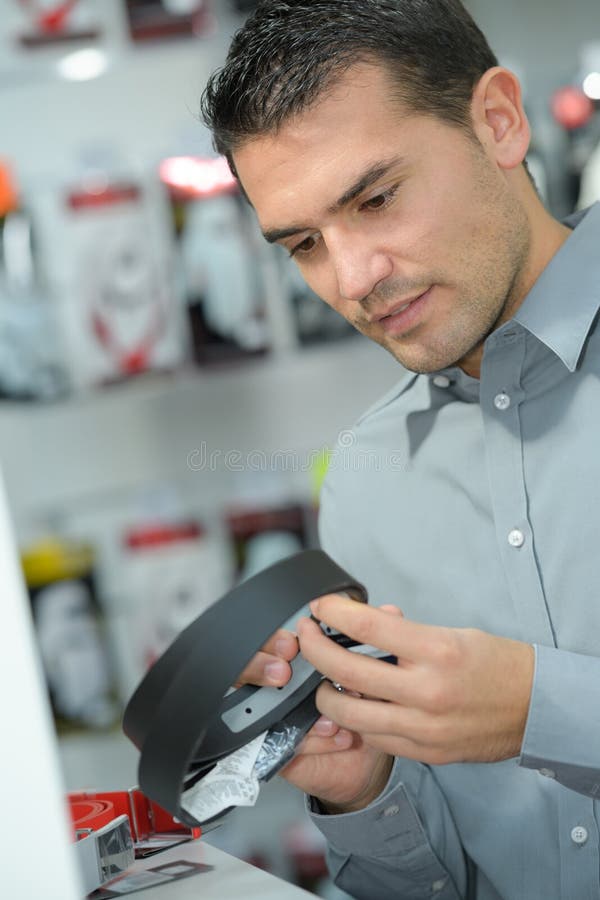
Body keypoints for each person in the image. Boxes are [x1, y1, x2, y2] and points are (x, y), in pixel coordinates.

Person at [201, 2, 600, 897]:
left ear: (498, 121)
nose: (352, 280)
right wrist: (364, 790)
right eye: (305, 244)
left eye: (376, 199)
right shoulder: (366, 485)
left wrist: (543, 710)